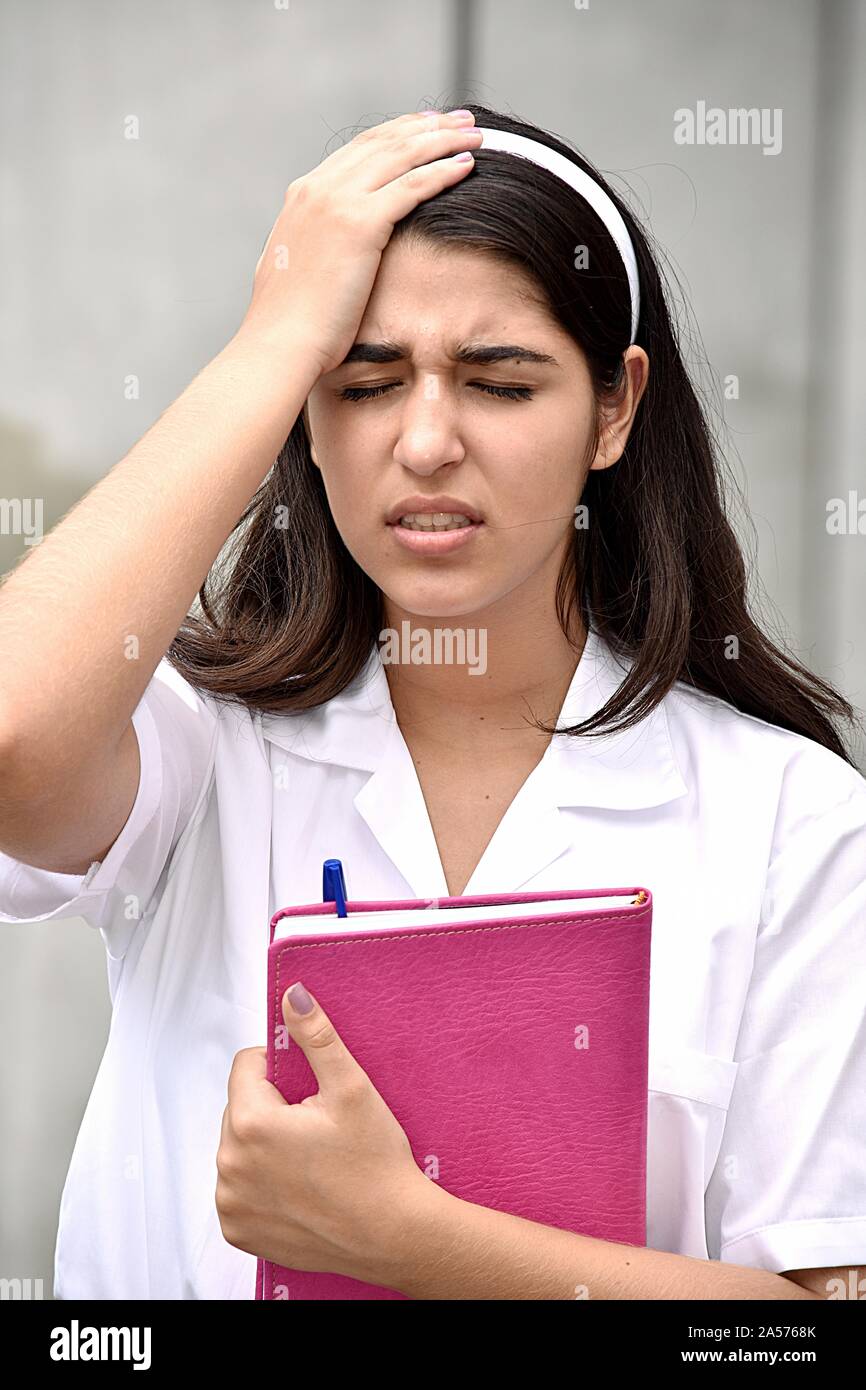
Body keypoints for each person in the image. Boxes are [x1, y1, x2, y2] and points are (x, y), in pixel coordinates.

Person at [0, 103, 864, 1301]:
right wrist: (272, 340)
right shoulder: (197, 748)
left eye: (498, 384)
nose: (423, 442)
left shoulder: (792, 822)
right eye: (362, 381)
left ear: (613, 408)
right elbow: (11, 739)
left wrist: (411, 1239)